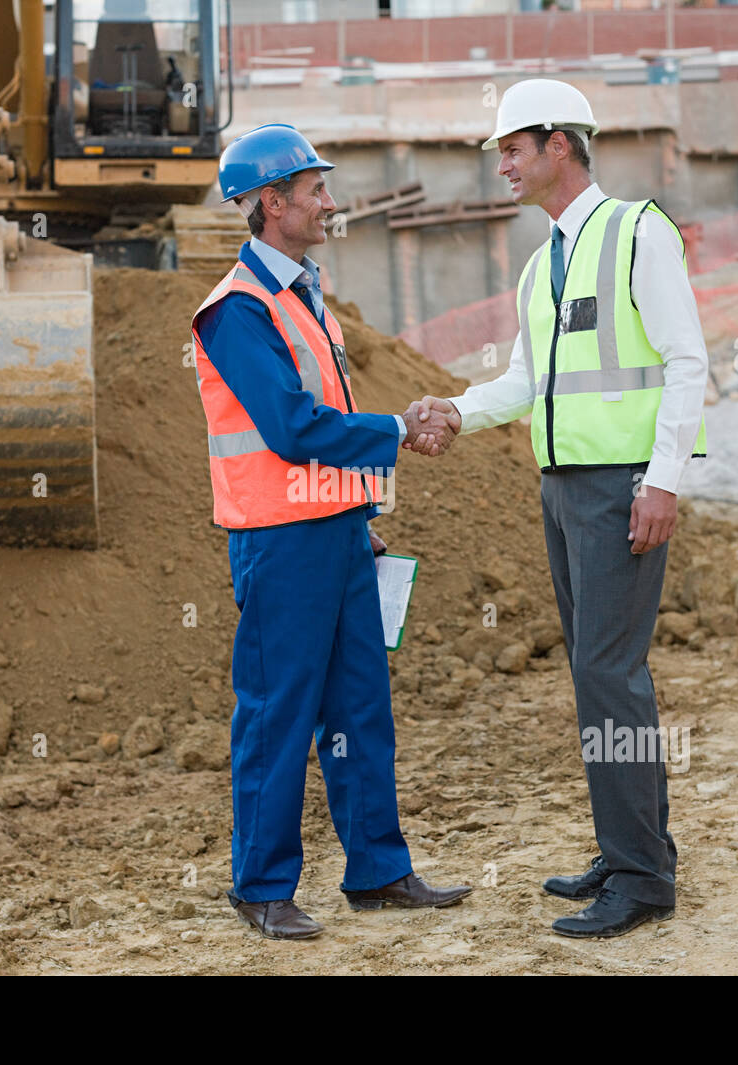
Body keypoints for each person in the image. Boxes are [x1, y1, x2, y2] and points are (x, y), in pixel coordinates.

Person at [409, 80, 708, 939]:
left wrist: (662, 481)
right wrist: (459, 411)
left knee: (610, 672)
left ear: (559, 146)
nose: (501, 163)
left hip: (621, 487)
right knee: (599, 672)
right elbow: (528, 381)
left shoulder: (637, 233)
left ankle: (644, 877)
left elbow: (687, 361)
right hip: (564, 486)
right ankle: (633, 850)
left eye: (512, 147)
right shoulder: (543, 264)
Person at [191, 123, 470, 940]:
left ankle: (378, 870)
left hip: (337, 531)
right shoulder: (237, 310)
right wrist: (398, 431)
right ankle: (262, 886)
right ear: (273, 204)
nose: (329, 201)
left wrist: (361, 515)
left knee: (358, 708)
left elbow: (323, 422)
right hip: (280, 543)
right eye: (316, 189)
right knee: (278, 713)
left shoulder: (303, 297)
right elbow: (289, 426)